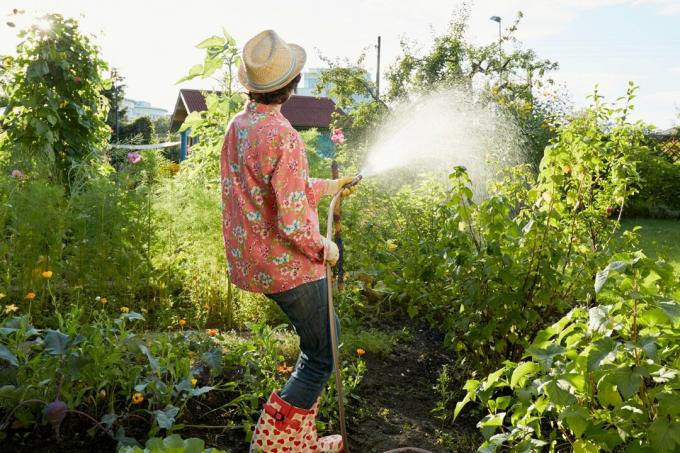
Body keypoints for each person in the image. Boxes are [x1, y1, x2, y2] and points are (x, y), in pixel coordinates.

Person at [220, 29, 354, 452]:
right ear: (292, 86)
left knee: (317, 350)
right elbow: (295, 221)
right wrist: (323, 248)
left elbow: (274, 191)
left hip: (254, 261)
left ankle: (299, 438)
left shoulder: (238, 126)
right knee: (322, 355)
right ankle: (277, 443)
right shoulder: (284, 135)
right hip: (289, 265)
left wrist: (330, 188)